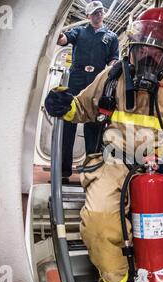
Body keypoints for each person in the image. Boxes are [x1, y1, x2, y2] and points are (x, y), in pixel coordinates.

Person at [45, 8, 163, 282]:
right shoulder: (112, 76)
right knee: (100, 223)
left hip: (156, 169)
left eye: (159, 53)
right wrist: (62, 105)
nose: (150, 58)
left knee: (161, 238)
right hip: (112, 165)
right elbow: (82, 108)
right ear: (133, 45)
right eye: (145, 49)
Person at [57, 1, 119, 182]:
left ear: (103, 13)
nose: (98, 15)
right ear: (87, 16)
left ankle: (92, 172)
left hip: (96, 84)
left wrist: (111, 71)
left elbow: (113, 59)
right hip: (76, 82)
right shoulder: (79, 32)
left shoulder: (111, 36)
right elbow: (63, 39)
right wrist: (57, 31)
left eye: (100, 12)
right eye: (94, 13)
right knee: (68, 126)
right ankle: (63, 172)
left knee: (94, 127)